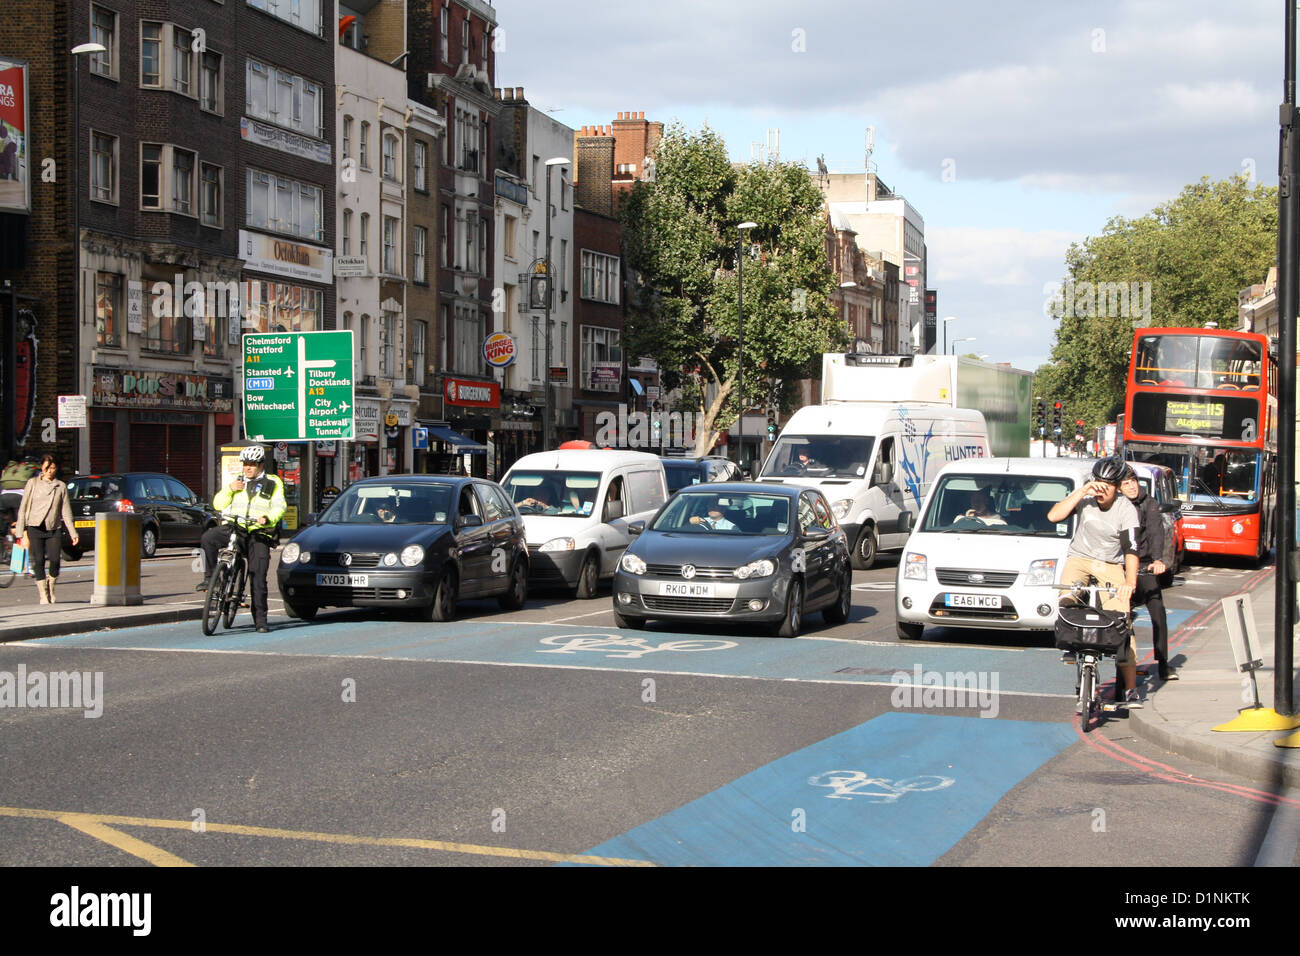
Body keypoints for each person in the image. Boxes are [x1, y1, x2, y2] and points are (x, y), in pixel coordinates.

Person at [1047, 456, 1143, 708]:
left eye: (1107, 485)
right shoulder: (1086, 499)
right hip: (1080, 558)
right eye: (1098, 482)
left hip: (1110, 563)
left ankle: (1131, 689)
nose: (1101, 488)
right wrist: (1082, 490)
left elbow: (1131, 549)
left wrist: (1129, 582)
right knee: (1067, 596)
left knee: (1122, 620)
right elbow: (1054, 517)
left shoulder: (1126, 510)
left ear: (1118, 487)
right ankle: (1071, 641)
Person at [197, 445, 286, 634]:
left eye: (252, 464)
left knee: (258, 577)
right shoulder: (236, 481)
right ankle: (211, 580)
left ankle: (260, 620)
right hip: (235, 527)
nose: (247, 468)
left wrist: (268, 518)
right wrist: (230, 489)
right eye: (245, 464)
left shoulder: (272, 482)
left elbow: (280, 506)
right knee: (208, 539)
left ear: (261, 464)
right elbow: (218, 503)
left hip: (258, 532)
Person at [1120, 469, 1176, 682]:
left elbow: (1155, 533)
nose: (1132, 486)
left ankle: (1163, 664)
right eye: (1126, 483)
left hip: (1144, 565)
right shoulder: (1117, 506)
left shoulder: (1149, 503)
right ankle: (1123, 664)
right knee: (1120, 618)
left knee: (1158, 613)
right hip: (1122, 566)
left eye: (1133, 481)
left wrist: (1158, 560)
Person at [14, 455, 79, 604]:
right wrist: (21, 532)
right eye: (47, 468)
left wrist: (73, 532)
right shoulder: (32, 483)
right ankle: (43, 594)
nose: (50, 471)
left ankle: (51, 587)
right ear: (42, 468)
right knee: (38, 561)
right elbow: (23, 508)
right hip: (34, 527)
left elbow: (66, 511)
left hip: (53, 528)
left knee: (55, 560)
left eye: (53, 468)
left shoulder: (60, 486)